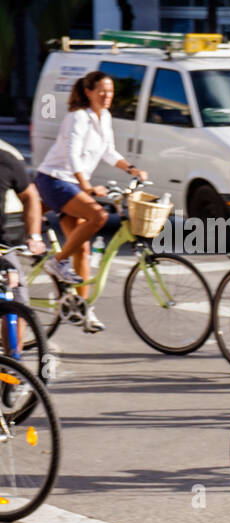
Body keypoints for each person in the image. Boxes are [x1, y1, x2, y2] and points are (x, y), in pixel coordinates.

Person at [34, 70, 148, 333]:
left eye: (110, 91)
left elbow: (108, 151)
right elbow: (73, 154)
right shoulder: (77, 118)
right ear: (88, 92)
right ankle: (57, 261)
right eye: (102, 91)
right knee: (98, 216)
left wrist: (131, 169)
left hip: (71, 183)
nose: (107, 96)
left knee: (83, 250)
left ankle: (82, 309)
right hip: (55, 180)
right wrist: (85, 185)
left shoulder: (104, 117)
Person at [0, 146, 48, 350]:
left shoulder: (6, 160)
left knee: (18, 298)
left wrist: (34, 236)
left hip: (1, 245)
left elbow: (30, 196)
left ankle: (11, 367)